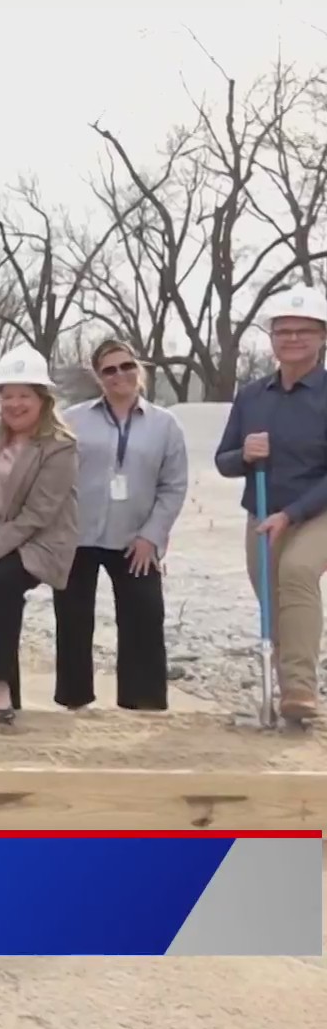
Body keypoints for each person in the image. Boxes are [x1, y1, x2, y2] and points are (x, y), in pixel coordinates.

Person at [54, 339, 188, 712]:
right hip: (78, 534)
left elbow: (173, 485)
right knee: (73, 619)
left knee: (144, 616)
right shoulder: (73, 419)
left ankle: (142, 701)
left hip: (136, 539)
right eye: (109, 369)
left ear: (138, 369)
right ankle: (74, 699)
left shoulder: (165, 425)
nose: (119, 375)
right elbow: (51, 472)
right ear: (98, 377)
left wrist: (152, 536)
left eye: (126, 366)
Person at [0, 345, 80, 725]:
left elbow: (39, 512)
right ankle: (4, 699)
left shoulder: (60, 446)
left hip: (36, 539)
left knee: (2, 586)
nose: (15, 404)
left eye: (25, 395)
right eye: (7, 395)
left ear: (43, 399)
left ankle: (1, 695)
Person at [216, 284, 327, 727]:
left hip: (316, 510)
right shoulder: (252, 395)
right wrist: (245, 454)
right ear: (272, 338)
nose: (293, 339)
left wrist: (292, 514)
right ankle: (288, 698)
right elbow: (223, 461)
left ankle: (301, 685)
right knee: (271, 599)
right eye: (283, 331)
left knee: (297, 573)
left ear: (322, 337)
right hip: (263, 512)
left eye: (304, 331)